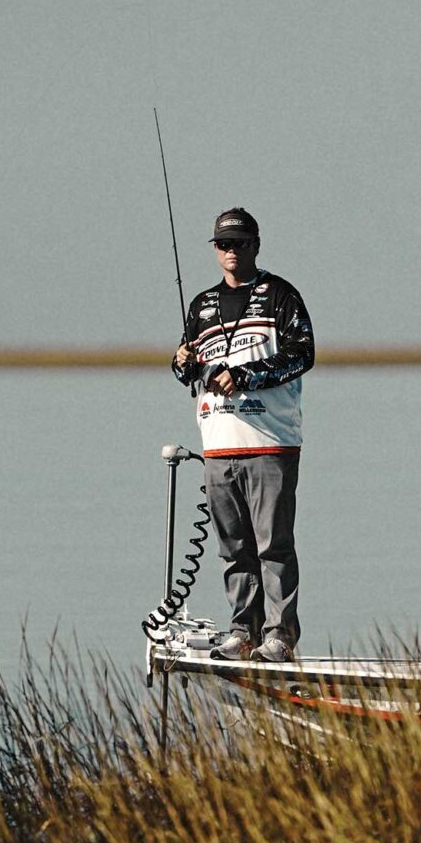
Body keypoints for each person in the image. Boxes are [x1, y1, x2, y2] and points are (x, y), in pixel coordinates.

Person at [171, 208, 314, 662]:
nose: (231, 251)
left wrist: (247, 376)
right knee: (232, 547)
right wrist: (181, 363)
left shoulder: (280, 295)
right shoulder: (201, 305)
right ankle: (242, 630)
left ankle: (280, 637)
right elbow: (185, 369)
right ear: (215, 250)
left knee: (274, 545)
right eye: (223, 244)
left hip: (270, 442)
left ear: (256, 243)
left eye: (239, 243)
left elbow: (302, 354)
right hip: (217, 444)